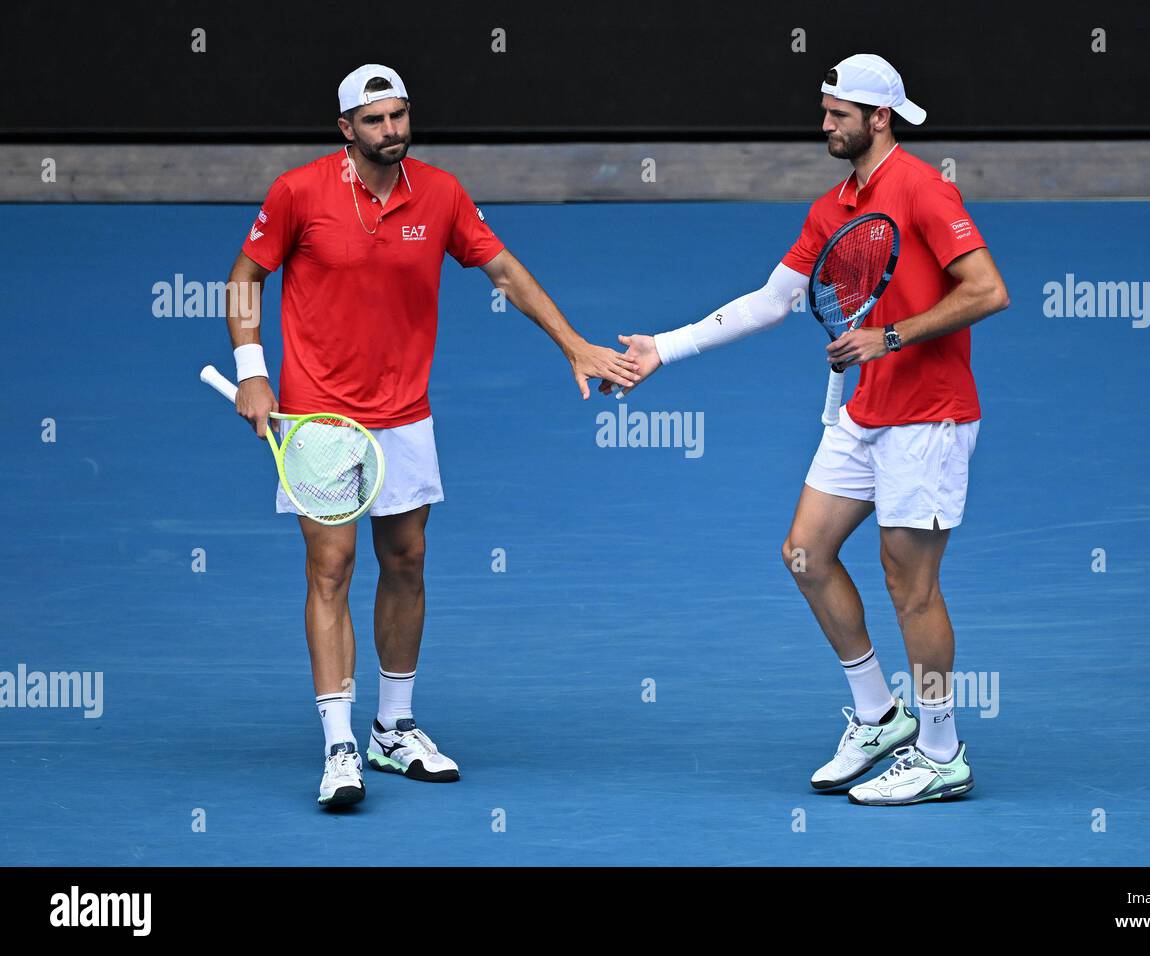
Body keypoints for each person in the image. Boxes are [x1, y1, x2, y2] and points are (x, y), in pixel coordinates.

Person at [223, 64, 640, 807]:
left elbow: (503, 271)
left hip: (404, 412)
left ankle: (392, 727)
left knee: (407, 561)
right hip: (318, 414)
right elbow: (246, 276)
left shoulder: (441, 194)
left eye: (401, 116)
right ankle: (339, 744)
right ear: (346, 129)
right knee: (333, 567)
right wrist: (252, 371)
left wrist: (572, 343)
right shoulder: (299, 193)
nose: (394, 130)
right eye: (376, 120)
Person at [603, 54, 1009, 805]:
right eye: (823, 110)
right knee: (805, 553)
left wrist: (890, 338)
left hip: (930, 416)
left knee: (908, 585)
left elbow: (989, 289)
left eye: (836, 114)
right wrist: (665, 347)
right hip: (868, 410)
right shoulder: (833, 207)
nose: (823, 124)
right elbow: (769, 300)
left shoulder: (923, 187)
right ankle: (877, 714)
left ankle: (943, 750)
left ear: (877, 117)